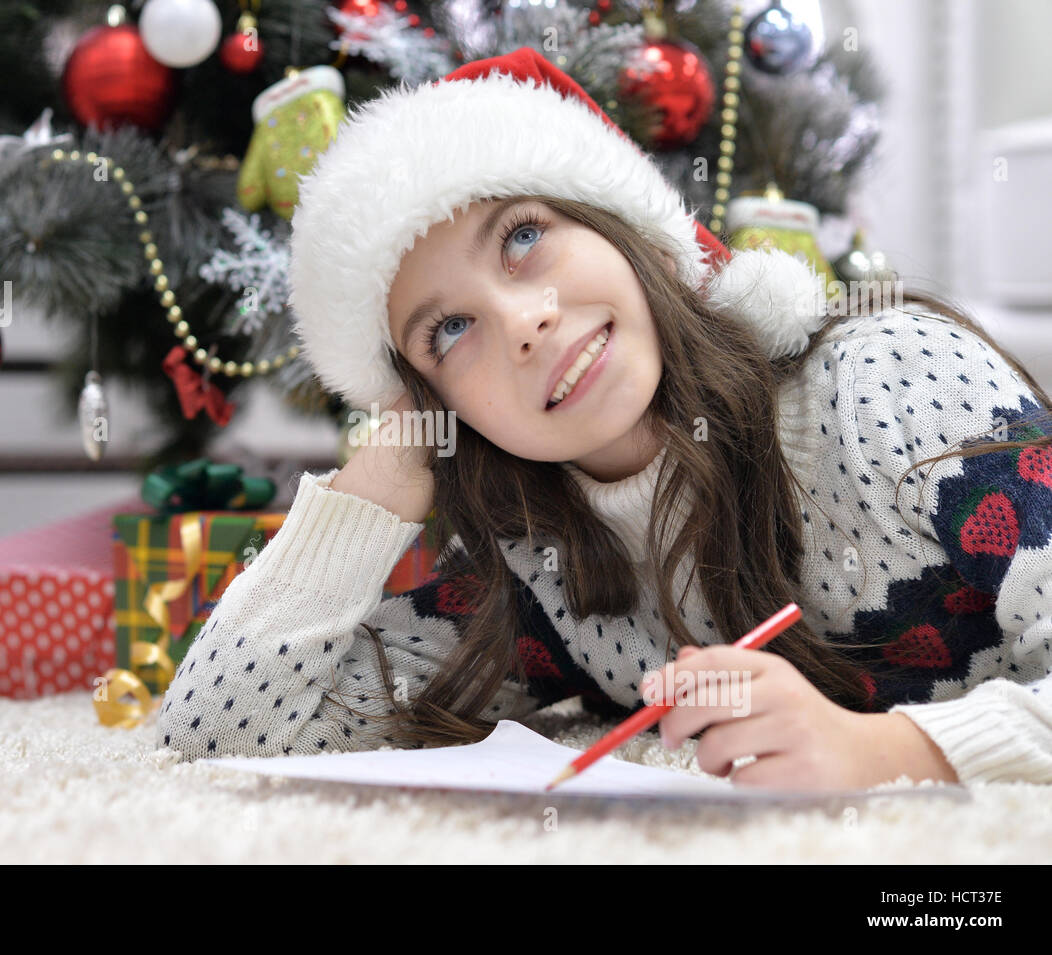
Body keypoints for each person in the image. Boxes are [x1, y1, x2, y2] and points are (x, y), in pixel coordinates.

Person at [156, 47, 1052, 789]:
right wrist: (376, 484)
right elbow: (215, 731)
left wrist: (890, 753)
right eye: (449, 330)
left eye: (521, 236)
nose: (523, 322)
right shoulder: (542, 575)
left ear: (626, 229)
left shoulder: (888, 381)